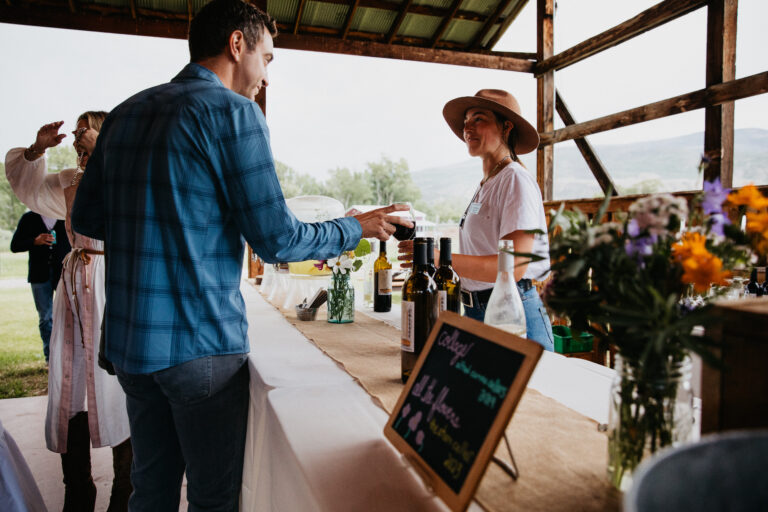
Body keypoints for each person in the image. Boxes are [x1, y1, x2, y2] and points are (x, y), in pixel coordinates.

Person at [70, 0, 411, 509]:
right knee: (213, 497)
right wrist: (355, 226)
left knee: (152, 487)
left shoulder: (125, 113)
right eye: (268, 58)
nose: (266, 77)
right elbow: (277, 240)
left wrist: (156, 219)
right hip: (199, 345)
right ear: (237, 44)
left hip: (131, 345)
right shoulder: (234, 113)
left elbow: (87, 221)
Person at [5, 113, 132, 512]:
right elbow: (26, 187)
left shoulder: (129, 173)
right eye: (77, 130)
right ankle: (77, 491)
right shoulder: (67, 181)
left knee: (115, 386)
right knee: (69, 382)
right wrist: (38, 149)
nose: (78, 136)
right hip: (74, 285)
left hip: (112, 285)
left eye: (86, 128)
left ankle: (125, 494)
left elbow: (133, 211)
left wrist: (105, 154)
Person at [401, 89, 554, 351]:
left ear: (506, 127)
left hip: (512, 316)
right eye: (465, 122)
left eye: (478, 119)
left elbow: (513, 267)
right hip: (478, 312)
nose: (467, 129)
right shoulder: (489, 182)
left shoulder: (515, 179)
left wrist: (437, 259)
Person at [10, 210, 70, 362]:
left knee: (68, 314)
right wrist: (34, 241)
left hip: (63, 274)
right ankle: (50, 357)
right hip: (39, 274)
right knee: (45, 317)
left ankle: (67, 355)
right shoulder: (29, 218)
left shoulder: (64, 216)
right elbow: (15, 245)